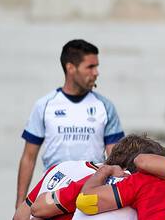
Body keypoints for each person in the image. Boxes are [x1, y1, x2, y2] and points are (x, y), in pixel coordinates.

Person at [16, 39, 122, 210]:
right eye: (90, 67)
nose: (96, 72)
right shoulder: (45, 105)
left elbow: (115, 156)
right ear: (70, 68)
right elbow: (28, 158)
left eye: (97, 66)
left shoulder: (105, 106)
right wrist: (20, 203)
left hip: (89, 192)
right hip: (53, 191)